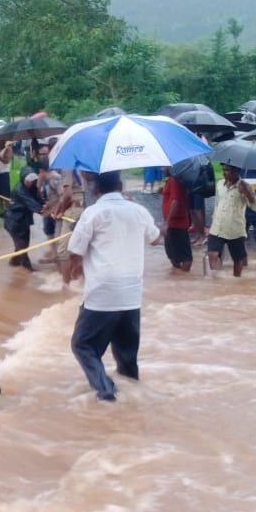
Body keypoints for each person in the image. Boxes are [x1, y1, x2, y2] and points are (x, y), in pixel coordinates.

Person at [64, 171, 161, 402]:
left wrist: (76, 272)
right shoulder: (138, 210)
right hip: (131, 295)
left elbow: (74, 252)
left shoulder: (93, 212)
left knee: (83, 346)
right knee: (127, 357)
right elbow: (156, 238)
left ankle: (105, 391)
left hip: (102, 294)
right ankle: (133, 399)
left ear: (96, 190)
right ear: (120, 185)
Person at [207, 164, 256, 277]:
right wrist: (212, 221)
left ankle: (237, 280)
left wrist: (247, 193)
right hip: (218, 226)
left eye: (227, 170)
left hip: (235, 229)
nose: (224, 173)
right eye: (224, 170)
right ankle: (216, 280)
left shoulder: (245, 186)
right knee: (212, 254)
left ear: (236, 172)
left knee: (237, 259)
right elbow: (217, 203)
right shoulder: (219, 184)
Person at [3, 171, 46, 271]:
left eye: (31, 181)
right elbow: (30, 202)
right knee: (22, 245)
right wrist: (42, 211)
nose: (29, 183)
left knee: (25, 243)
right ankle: (27, 267)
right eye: (27, 181)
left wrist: (44, 204)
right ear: (23, 179)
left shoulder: (32, 187)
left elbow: (37, 198)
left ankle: (14, 260)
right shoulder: (19, 189)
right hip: (13, 220)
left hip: (24, 219)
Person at [160, 166, 192, 272]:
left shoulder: (174, 180)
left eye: (163, 166)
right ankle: (178, 279)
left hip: (177, 224)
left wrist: (166, 222)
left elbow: (175, 201)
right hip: (171, 224)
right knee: (172, 256)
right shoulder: (170, 180)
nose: (161, 169)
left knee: (185, 258)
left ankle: (184, 280)